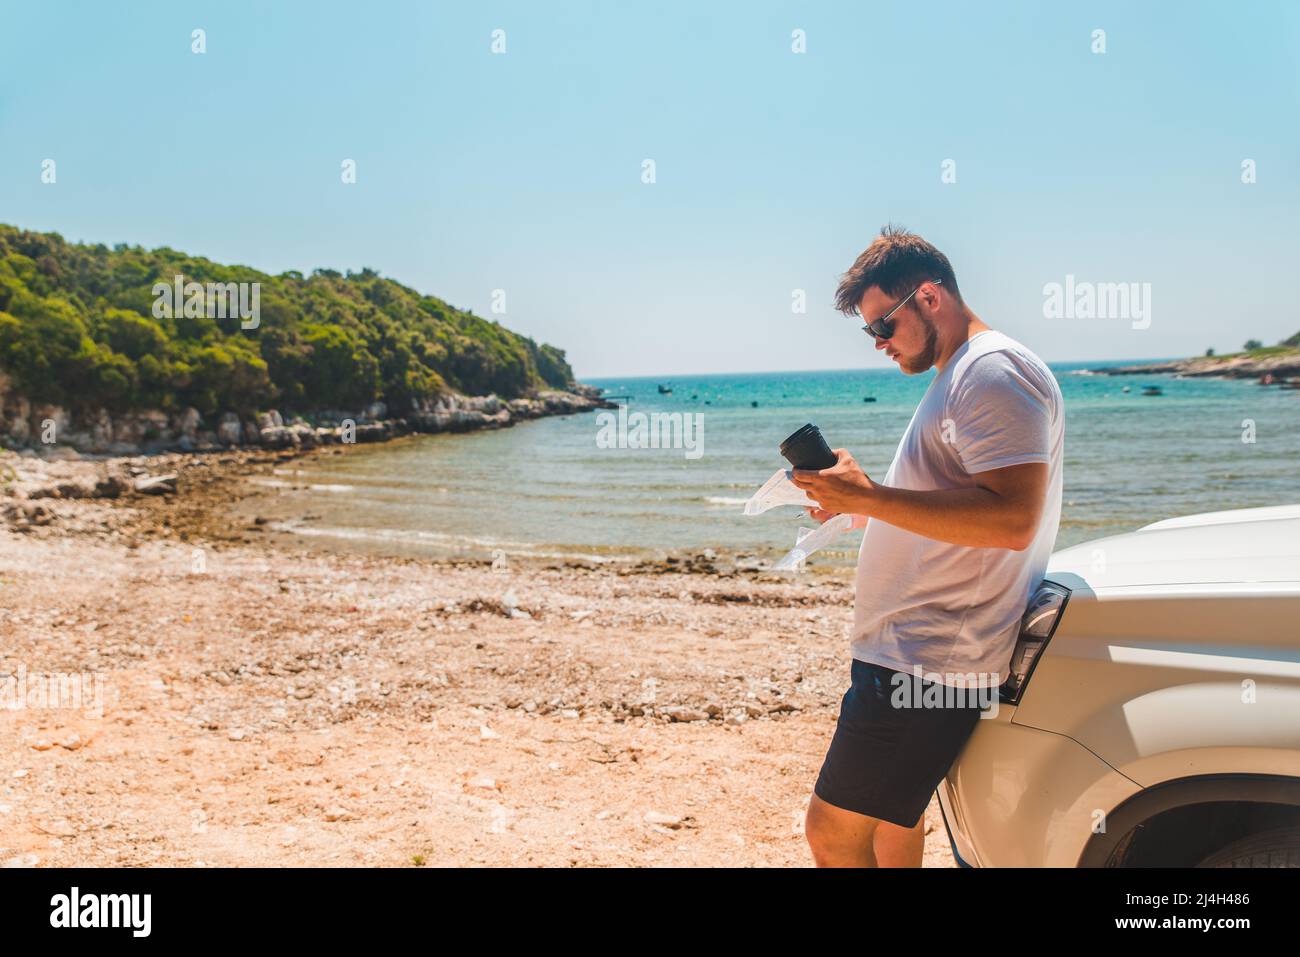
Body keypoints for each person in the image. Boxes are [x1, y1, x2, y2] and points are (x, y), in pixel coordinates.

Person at [790, 226, 1064, 867]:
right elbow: (961, 510)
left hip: (929, 660)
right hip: (918, 653)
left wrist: (873, 499)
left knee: (831, 833)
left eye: (883, 325)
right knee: (891, 821)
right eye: (870, 333)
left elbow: (1013, 520)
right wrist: (859, 507)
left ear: (930, 296)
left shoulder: (990, 372)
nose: (879, 344)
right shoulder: (964, 374)